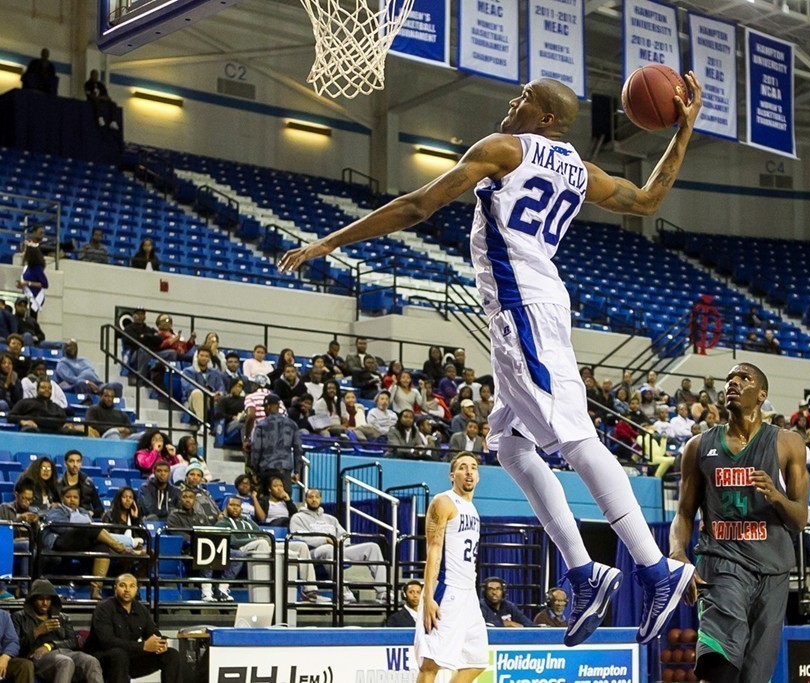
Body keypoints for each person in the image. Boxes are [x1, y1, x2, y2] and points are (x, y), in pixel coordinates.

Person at [281, 74, 703, 648]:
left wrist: (330, 241)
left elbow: (419, 204)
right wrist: (683, 130)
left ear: (546, 118)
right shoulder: (581, 170)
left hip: (522, 307)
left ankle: (655, 570)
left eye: (524, 97)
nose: (512, 102)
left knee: (576, 438)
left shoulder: (505, 148)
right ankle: (584, 573)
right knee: (509, 446)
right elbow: (648, 200)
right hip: (528, 307)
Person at [670, 363, 809, 683]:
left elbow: (800, 520)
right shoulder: (698, 446)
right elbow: (684, 513)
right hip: (721, 563)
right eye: (729, 378)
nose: (733, 382)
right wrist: (677, 553)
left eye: (744, 378)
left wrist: (776, 496)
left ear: (762, 394)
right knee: (719, 667)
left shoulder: (788, 443)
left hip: (773, 568)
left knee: (754, 675)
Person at [414, 453, 487, 682]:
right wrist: (428, 597)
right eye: (463, 467)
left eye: (473, 467)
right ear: (452, 475)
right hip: (447, 589)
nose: (469, 471)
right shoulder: (443, 501)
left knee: (477, 662)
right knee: (430, 664)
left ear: (478, 476)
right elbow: (433, 549)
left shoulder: (472, 509)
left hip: (469, 592)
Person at [289, 488, 388, 604]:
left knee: (372, 547)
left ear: (320, 499)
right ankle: (344, 593)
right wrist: (325, 540)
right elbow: (299, 538)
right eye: (311, 497)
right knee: (328, 549)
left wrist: (340, 543)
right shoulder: (298, 518)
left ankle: (383, 593)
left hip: (336, 549)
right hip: (312, 553)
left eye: (317, 497)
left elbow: (345, 536)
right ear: (305, 499)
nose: (314, 500)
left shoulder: (331, 519)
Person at [85, 574, 182, 683]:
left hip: (130, 657)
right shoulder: (103, 608)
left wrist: (160, 644)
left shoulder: (141, 609)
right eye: (123, 585)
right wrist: (143, 646)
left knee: (171, 654)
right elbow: (107, 641)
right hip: (102, 659)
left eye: (131, 586)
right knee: (119, 654)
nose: (127, 590)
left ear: (136, 589)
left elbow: (153, 633)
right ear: (115, 588)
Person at [12, 579, 103, 683]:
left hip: (65, 652)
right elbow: (16, 646)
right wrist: (37, 631)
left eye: (48, 599)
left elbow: (73, 642)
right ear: (32, 599)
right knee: (65, 662)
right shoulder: (19, 617)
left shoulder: (63, 618)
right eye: (40, 599)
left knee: (91, 661)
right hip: (38, 656)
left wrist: (50, 645)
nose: (45, 603)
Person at [248, 393, 303, 491]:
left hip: (266, 471)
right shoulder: (292, 424)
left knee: (267, 499)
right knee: (285, 498)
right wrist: (297, 471)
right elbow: (298, 449)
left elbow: (256, 449)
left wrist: (255, 472)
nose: (264, 410)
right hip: (285, 471)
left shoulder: (261, 425)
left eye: (265, 407)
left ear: (268, 407)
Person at [55, 339, 122, 400]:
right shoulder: (62, 363)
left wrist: (95, 384)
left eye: (74, 346)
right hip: (81, 384)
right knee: (81, 384)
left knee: (117, 386)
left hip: (97, 384)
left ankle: (114, 407)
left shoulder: (83, 359)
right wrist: (87, 382)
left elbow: (92, 373)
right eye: (69, 346)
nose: (72, 348)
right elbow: (71, 379)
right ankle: (88, 405)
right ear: (64, 349)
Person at [55, 450, 103, 519]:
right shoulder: (58, 484)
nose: (75, 464)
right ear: (65, 463)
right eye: (71, 461)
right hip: (64, 520)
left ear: (81, 463)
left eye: (78, 461)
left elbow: (99, 509)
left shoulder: (88, 483)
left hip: (84, 520)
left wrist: (89, 513)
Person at [0, 607, 33, 683]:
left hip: (1, 658)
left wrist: (5, 657)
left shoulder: (3, 615)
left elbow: (13, 641)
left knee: (24, 665)